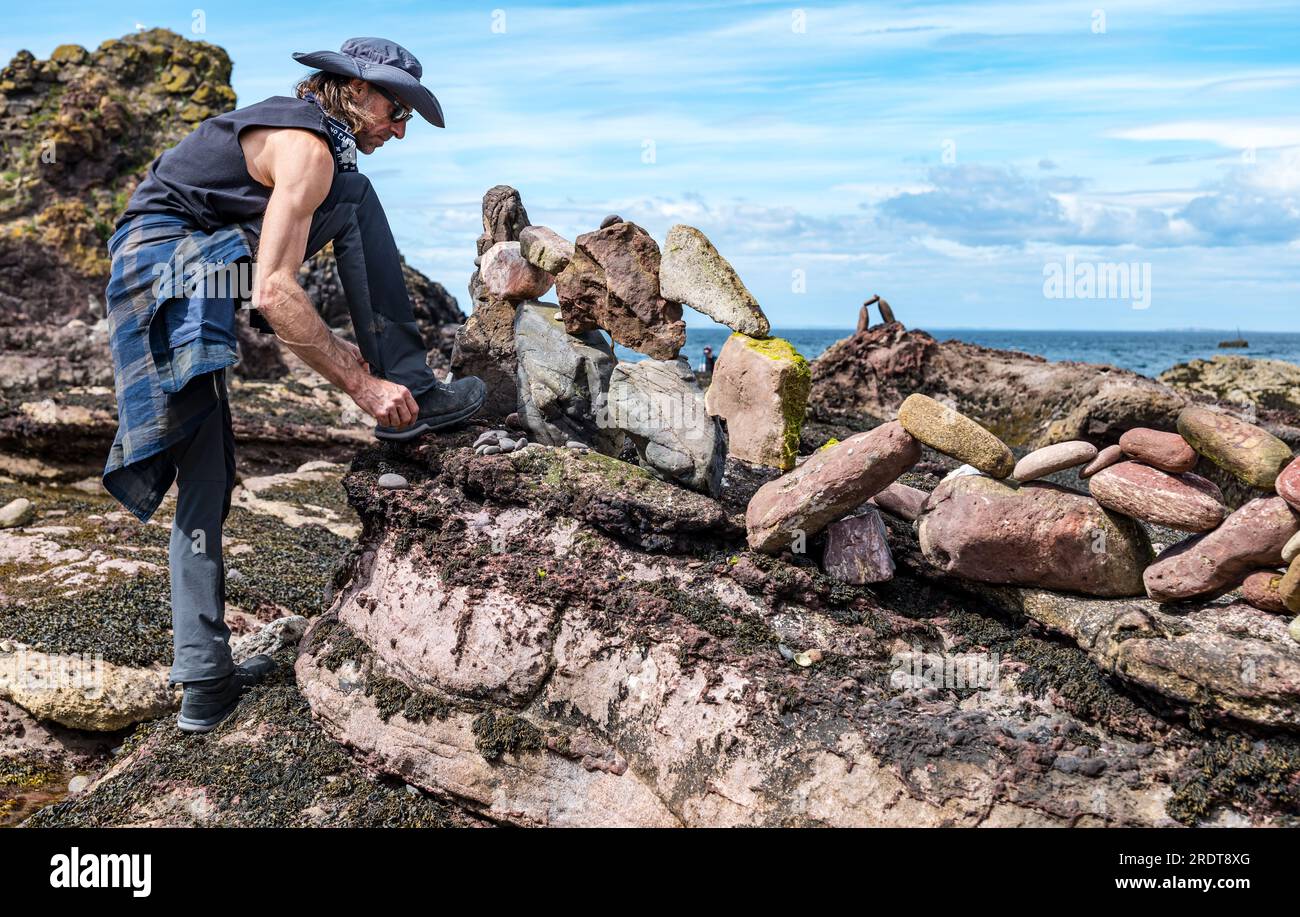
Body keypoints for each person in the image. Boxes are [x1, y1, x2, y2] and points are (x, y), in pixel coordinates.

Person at [102, 37, 485, 733]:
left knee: (208, 472)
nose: (400, 129)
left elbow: (263, 268)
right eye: (394, 110)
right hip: (169, 271)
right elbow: (275, 295)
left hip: (194, 259)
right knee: (204, 457)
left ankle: (203, 684)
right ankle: (410, 388)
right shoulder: (307, 149)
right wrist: (365, 387)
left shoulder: (313, 146)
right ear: (350, 88)